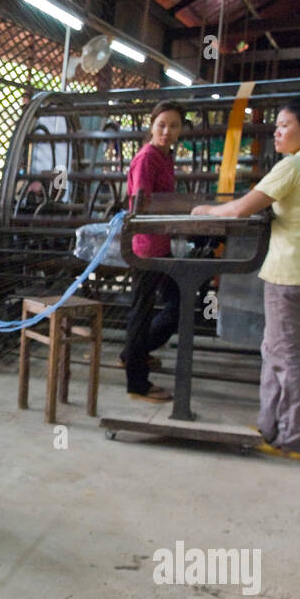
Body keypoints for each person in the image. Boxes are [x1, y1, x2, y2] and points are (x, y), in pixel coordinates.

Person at [192, 97, 300, 459]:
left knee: (289, 357)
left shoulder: (294, 165)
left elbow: (242, 207)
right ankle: (270, 427)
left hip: (290, 275)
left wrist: (205, 210)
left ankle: (292, 440)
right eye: (276, 126)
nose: (277, 132)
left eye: (285, 125)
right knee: (279, 350)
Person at [120, 101, 186, 400]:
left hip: (162, 245)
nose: (166, 131)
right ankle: (137, 382)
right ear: (151, 126)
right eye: (161, 124)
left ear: (181, 129)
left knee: (179, 302)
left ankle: (133, 352)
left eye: (173, 125)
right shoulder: (147, 157)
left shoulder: (165, 156)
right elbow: (142, 204)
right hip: (147, 248)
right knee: (142, 312)